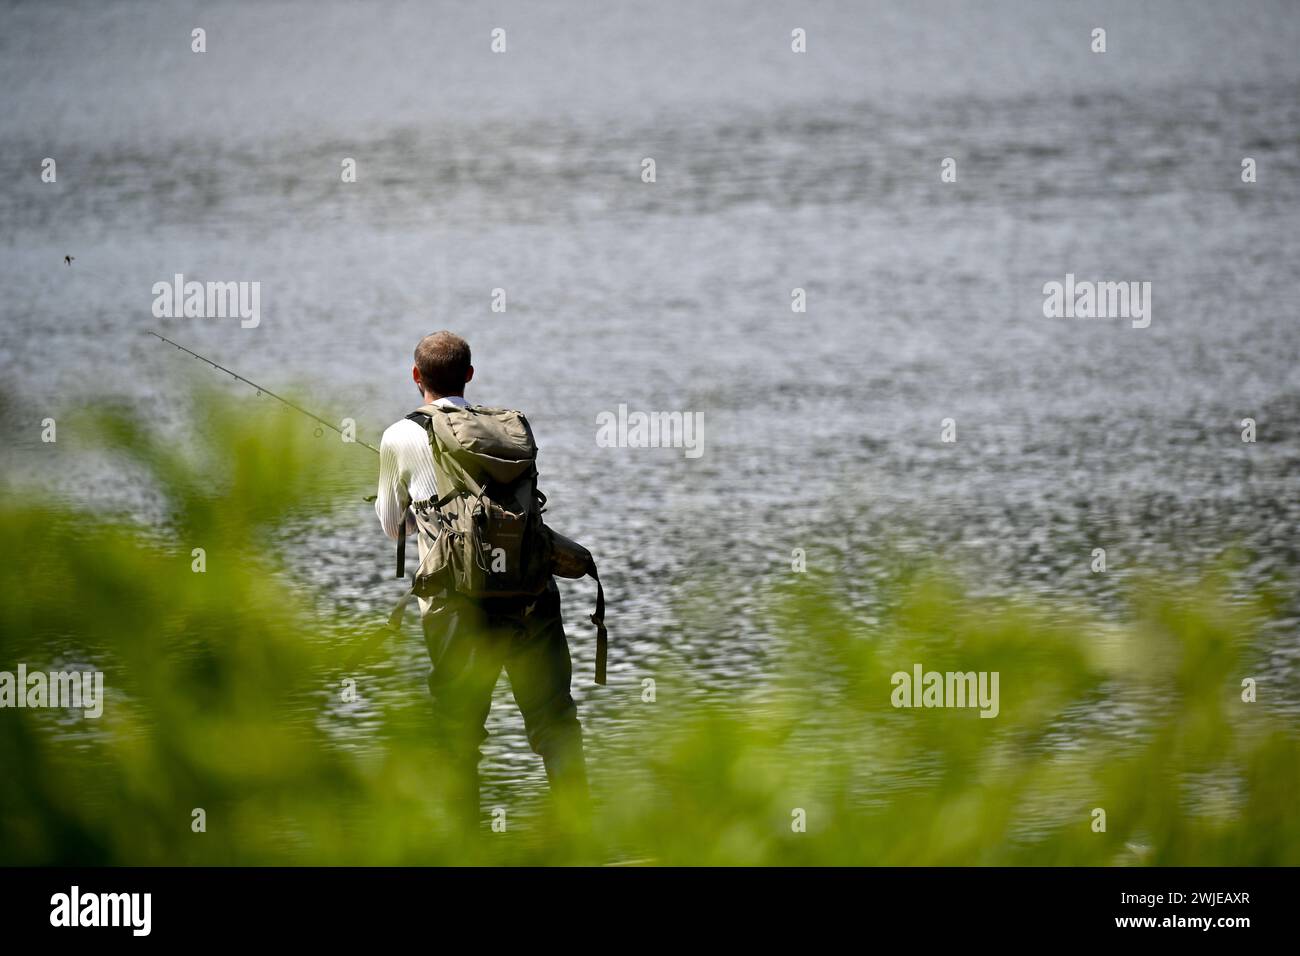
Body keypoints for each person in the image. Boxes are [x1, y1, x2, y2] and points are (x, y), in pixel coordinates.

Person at [375, 331, 589, 828]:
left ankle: (465, 846)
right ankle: (581, 837)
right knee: (555, 722)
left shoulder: (399, 436)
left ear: (415, 376)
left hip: (458, 606)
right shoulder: (509, 429)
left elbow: (392, 526)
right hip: (532, 596)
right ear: (469, 375)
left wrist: (416, 517)